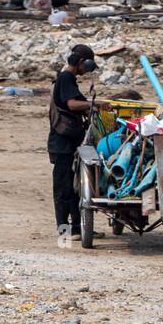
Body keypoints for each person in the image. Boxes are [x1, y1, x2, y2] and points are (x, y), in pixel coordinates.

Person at [48, 45, 107, 239]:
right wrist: (94, 104)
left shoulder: (68, 79)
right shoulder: (65, 78)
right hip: (62, 144)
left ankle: (77, 228)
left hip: (71, 143)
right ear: (82, 62)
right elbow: (72, 104)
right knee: (64, 188)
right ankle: (65, 231)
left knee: (75, 188)